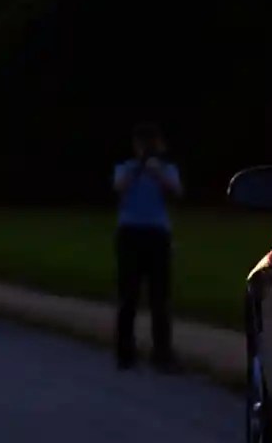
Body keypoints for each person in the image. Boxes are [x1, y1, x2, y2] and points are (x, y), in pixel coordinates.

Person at [112, 122, 184, 371]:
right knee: (128, 295)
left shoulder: (167, 169)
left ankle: (162, 353)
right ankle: (125, 352)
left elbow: (176, 191)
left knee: (159, 297)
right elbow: (118, 188)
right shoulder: (125, 168)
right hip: (130, 233)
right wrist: (139, 168)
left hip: (157, 234)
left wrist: (156, 172)